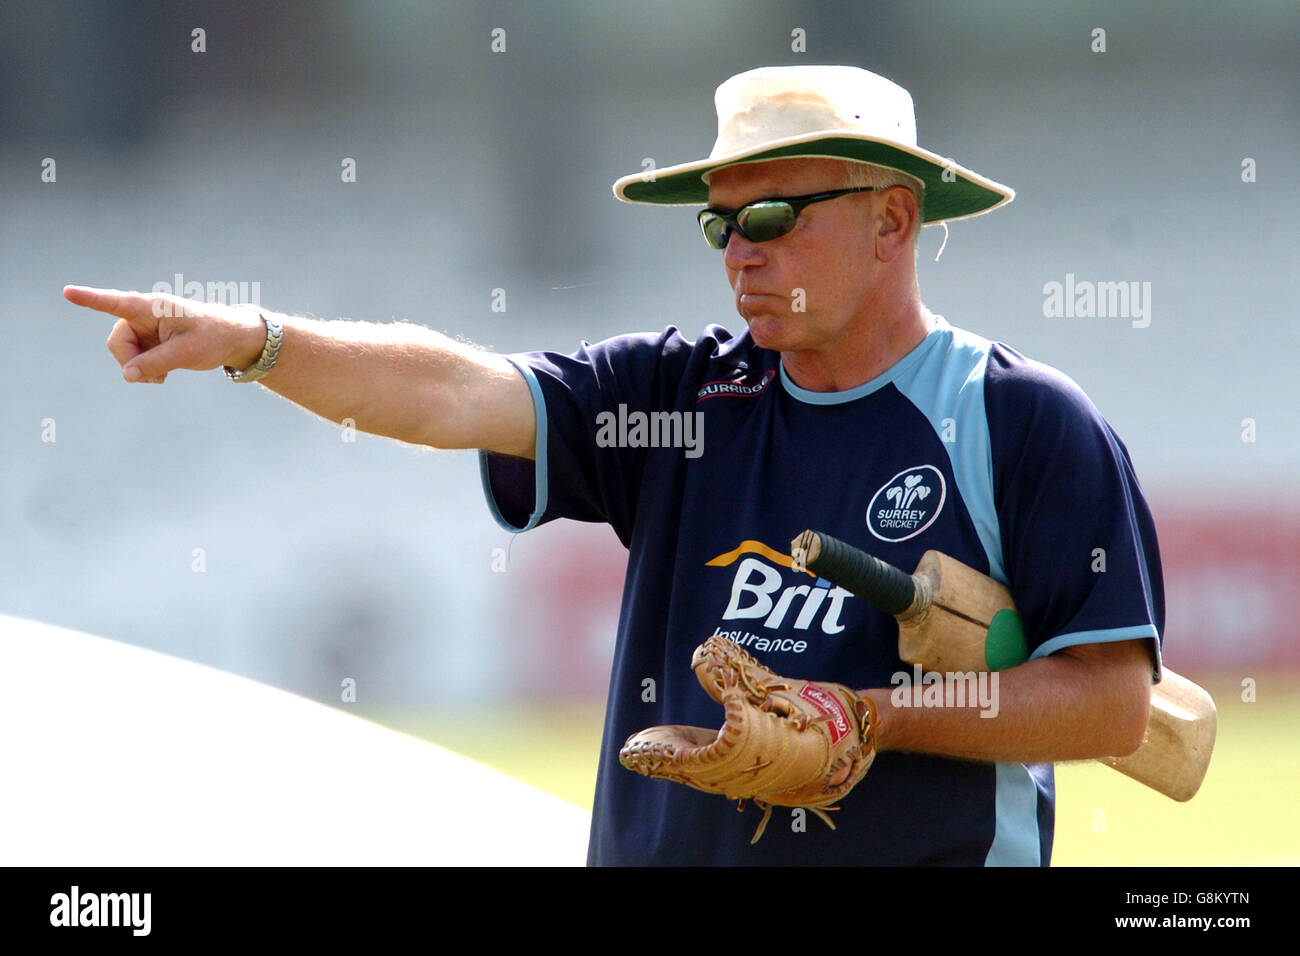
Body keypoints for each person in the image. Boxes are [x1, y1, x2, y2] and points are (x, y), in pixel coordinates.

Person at [67, 64, 1162, 866]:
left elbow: (1110, 704)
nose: (741, 250)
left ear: (891, 218)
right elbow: (451, 390)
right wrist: (259, 341)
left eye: (775, 215)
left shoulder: (1018, 421)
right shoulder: (676, 396)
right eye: (720, 224)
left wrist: (867, 715)